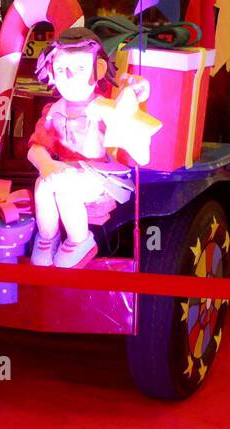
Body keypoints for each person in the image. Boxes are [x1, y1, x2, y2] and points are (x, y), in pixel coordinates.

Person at [27, 29, 151, 268]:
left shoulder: (103, 108)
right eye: (62, 69)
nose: (70, 75)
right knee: (43, 184)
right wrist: (46, 164)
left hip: (101, 176)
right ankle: (47, 238)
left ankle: (79, 240)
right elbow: (35, 147)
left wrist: (132, 96)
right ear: (51, 72)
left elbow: (132, 136)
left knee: (64, 189)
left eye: (80, 68)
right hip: (64, 170)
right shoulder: (54, 112)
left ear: (99, 69)